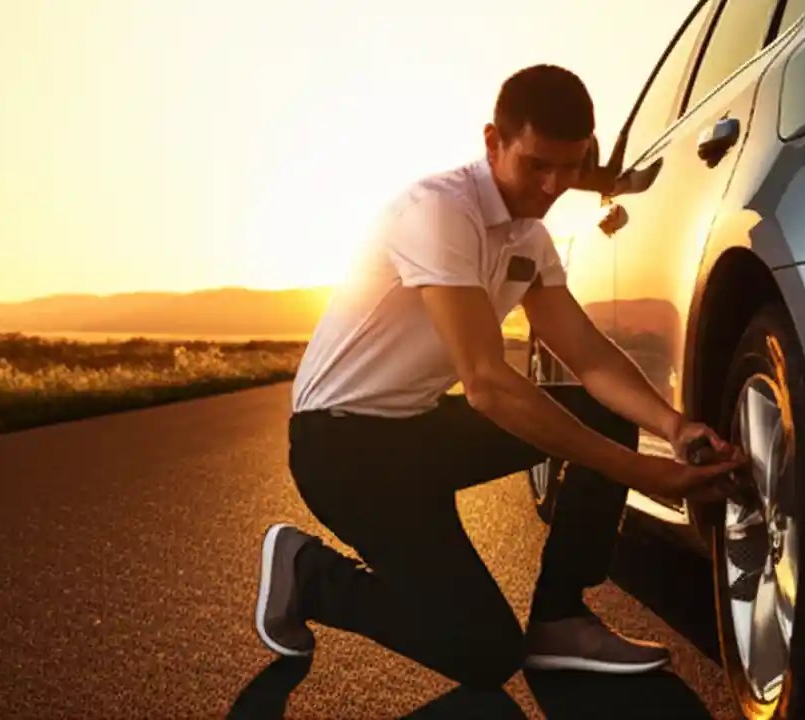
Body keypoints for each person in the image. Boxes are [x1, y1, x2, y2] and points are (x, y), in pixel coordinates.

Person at [255, 64, 746, 689]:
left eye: (570, 167)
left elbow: (589, 358)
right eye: (537, 164)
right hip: (343, 449)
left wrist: (674, 428)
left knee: (607, 411)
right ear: (494, 141)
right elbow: (486, 383)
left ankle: (561, 618)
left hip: (416, 431)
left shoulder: (530, 237)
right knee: (483, 653)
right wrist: (642, 471)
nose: (553, 185)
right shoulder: (438, 211)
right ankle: (310, 574)